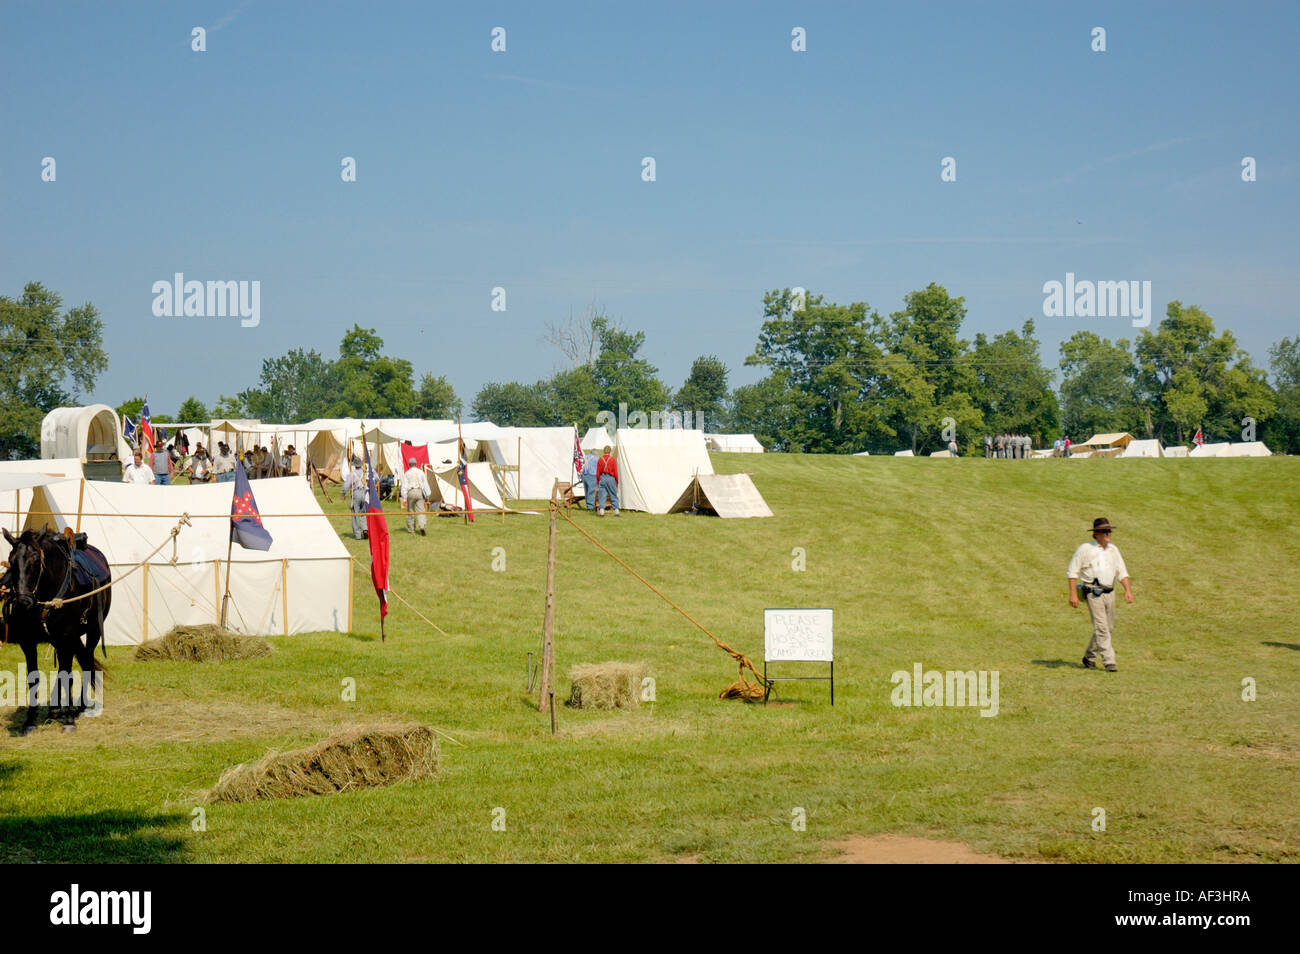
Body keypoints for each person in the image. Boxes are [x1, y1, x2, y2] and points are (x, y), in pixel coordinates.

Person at [1068, 517, 1134, 672]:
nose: (1108, 533)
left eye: (1109, 530)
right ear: (1096, 533)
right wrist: (1073, 595)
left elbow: (1121, 571)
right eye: (1105, 531)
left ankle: (1089, 657)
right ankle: (1109, 661)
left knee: (1108, 628)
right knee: (1102, 628)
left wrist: (1128, 590)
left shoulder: (1113, 550)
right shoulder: (1085, 549)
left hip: (1110, 592)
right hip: (1093, 592)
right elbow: (1072, 572)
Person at [399, 457, 431, 535]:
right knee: (421, 511)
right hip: (420, 492)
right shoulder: (421, 472)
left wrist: (404, 498)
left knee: (410, 511)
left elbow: (404, 486)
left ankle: (411, 529)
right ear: (416, 464)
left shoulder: (407, 473)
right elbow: (425, 484)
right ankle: (422, 526)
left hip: (411, 492)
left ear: (409, 464)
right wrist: (427, 495)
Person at [343, 456, 368, 540]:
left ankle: (358, 535)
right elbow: (375, 477)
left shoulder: (351, 474)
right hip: (364, 493)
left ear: (354, 465)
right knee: (363, 513)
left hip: (356, 493)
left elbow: (346, 485)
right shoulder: (365, 472)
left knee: (355, 514)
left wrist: (343, 494)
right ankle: (365, 529)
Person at [595, 445, 620, 517]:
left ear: (604, 451)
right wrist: (617, 481)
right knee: (613, 494)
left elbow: (598, 473)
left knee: (602, 495)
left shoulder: (600, 459)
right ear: (610, 451)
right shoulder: (612, 460)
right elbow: (615, 472)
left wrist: (598, 481)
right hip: (611, 478)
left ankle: (602, 511)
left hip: (602, 478)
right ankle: (616, 511)